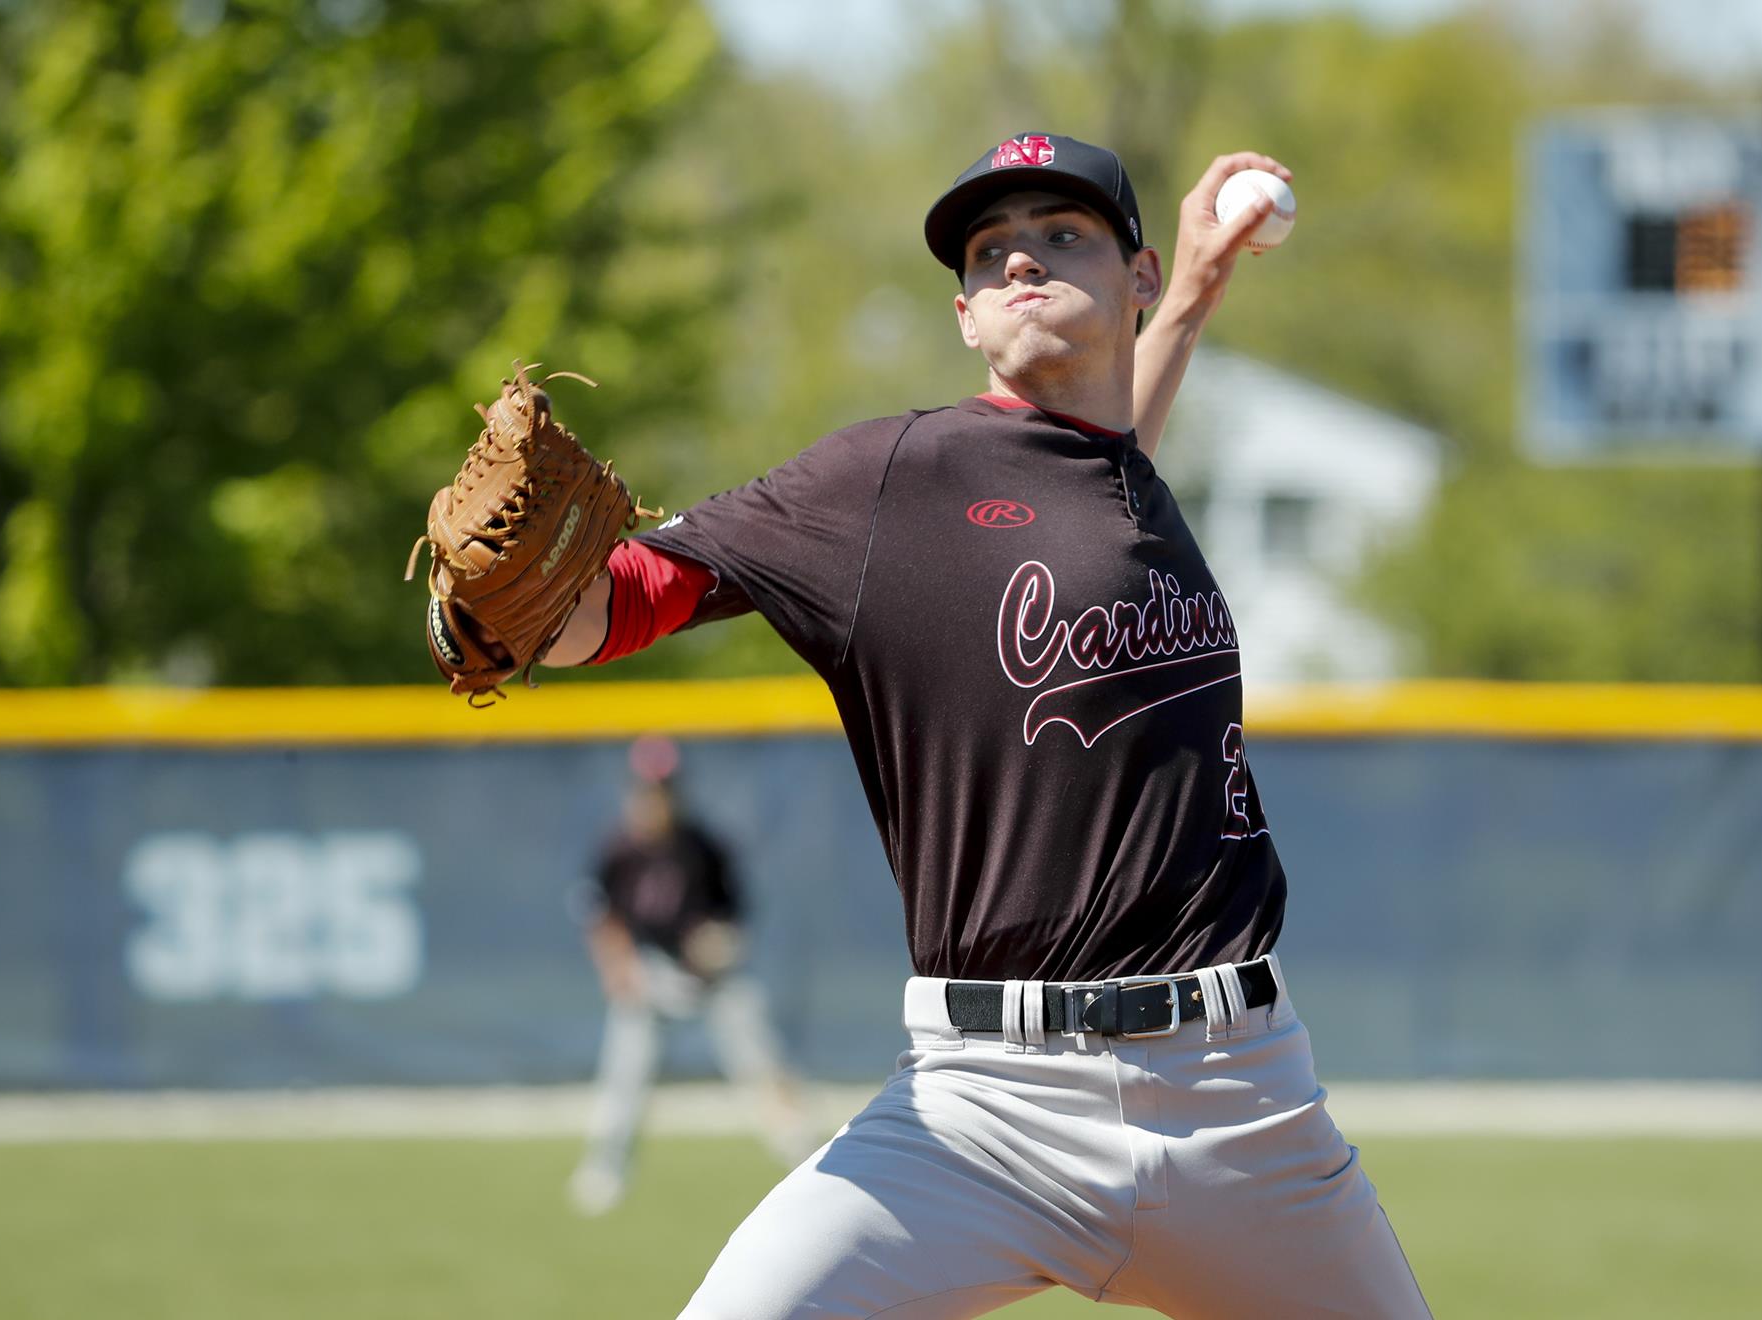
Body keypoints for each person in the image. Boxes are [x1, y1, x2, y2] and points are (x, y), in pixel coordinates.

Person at [533, 134, 1429, 1315]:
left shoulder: (1119, 478)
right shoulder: (889, 482)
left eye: (1062, 237)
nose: (1020, 263)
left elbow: (1100, 462)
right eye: (989, 252)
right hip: (979, 1115)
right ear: (962, 316)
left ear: (1137, 277)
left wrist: (1209, 280)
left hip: (1238, 1099)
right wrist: (520, 607)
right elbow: (618, 606)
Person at [567, 737, 813, 1217]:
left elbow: (733, 922)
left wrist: (719, 945)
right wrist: (619, 969)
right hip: (653, 972)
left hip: (714, 979)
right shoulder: (619, 849)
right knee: (625, 1074)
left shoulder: (704, 847)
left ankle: (802, 1159)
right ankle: (606, 1167)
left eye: (663, 789)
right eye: (646, 789)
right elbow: (600, 914)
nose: (655, 798)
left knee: (760, 1060)